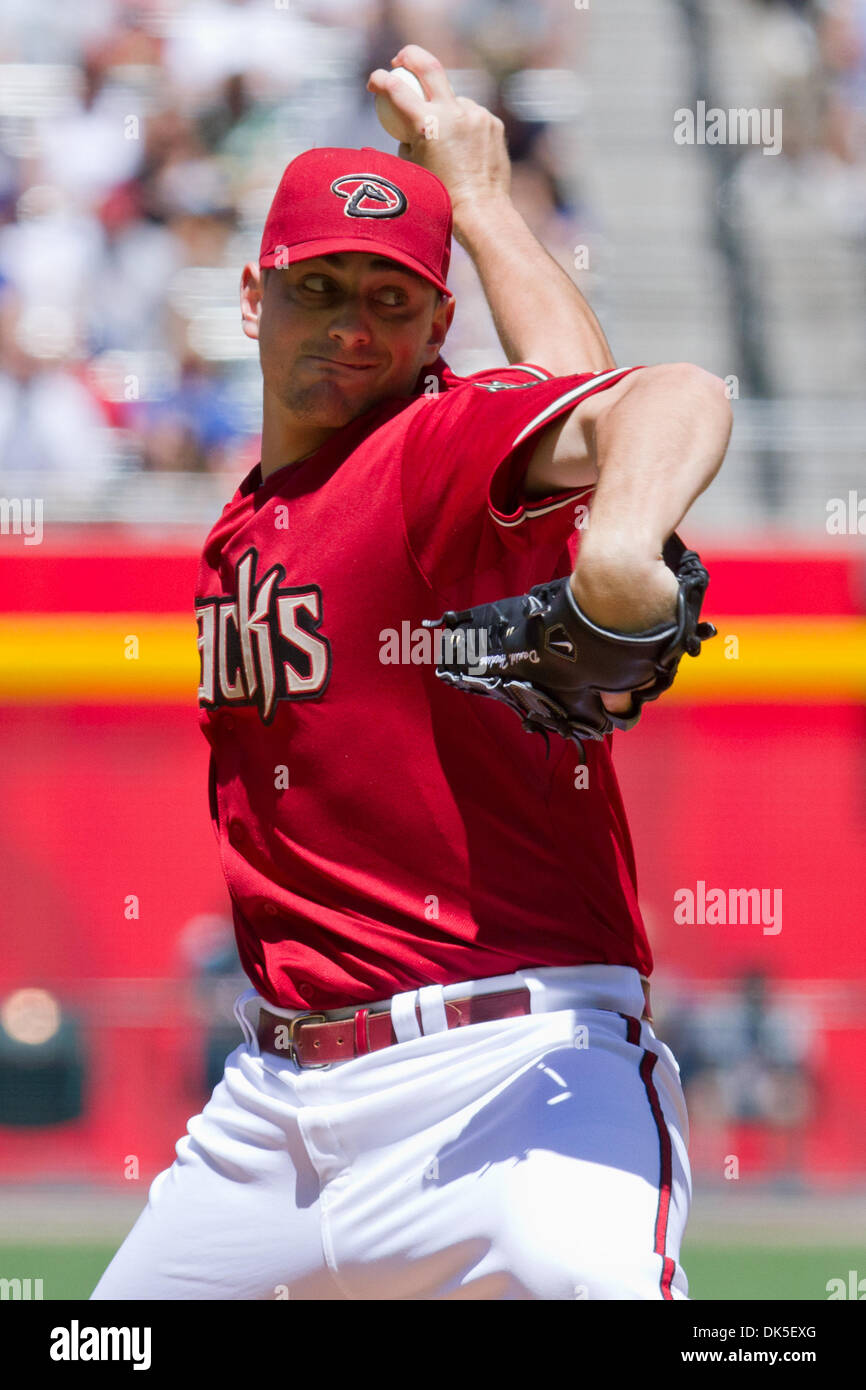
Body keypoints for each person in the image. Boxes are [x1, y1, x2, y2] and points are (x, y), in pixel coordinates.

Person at [91, 46, 732, 1301]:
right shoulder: (246, 519)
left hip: (509, 1071)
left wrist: (611, 555)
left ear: (440, 326)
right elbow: (566, 390)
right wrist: (475, 188)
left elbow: (667, 397)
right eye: (318, 286)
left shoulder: (428, 451)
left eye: (389, 299)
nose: (349, 323)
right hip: (270, 1116)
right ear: (251, 297)